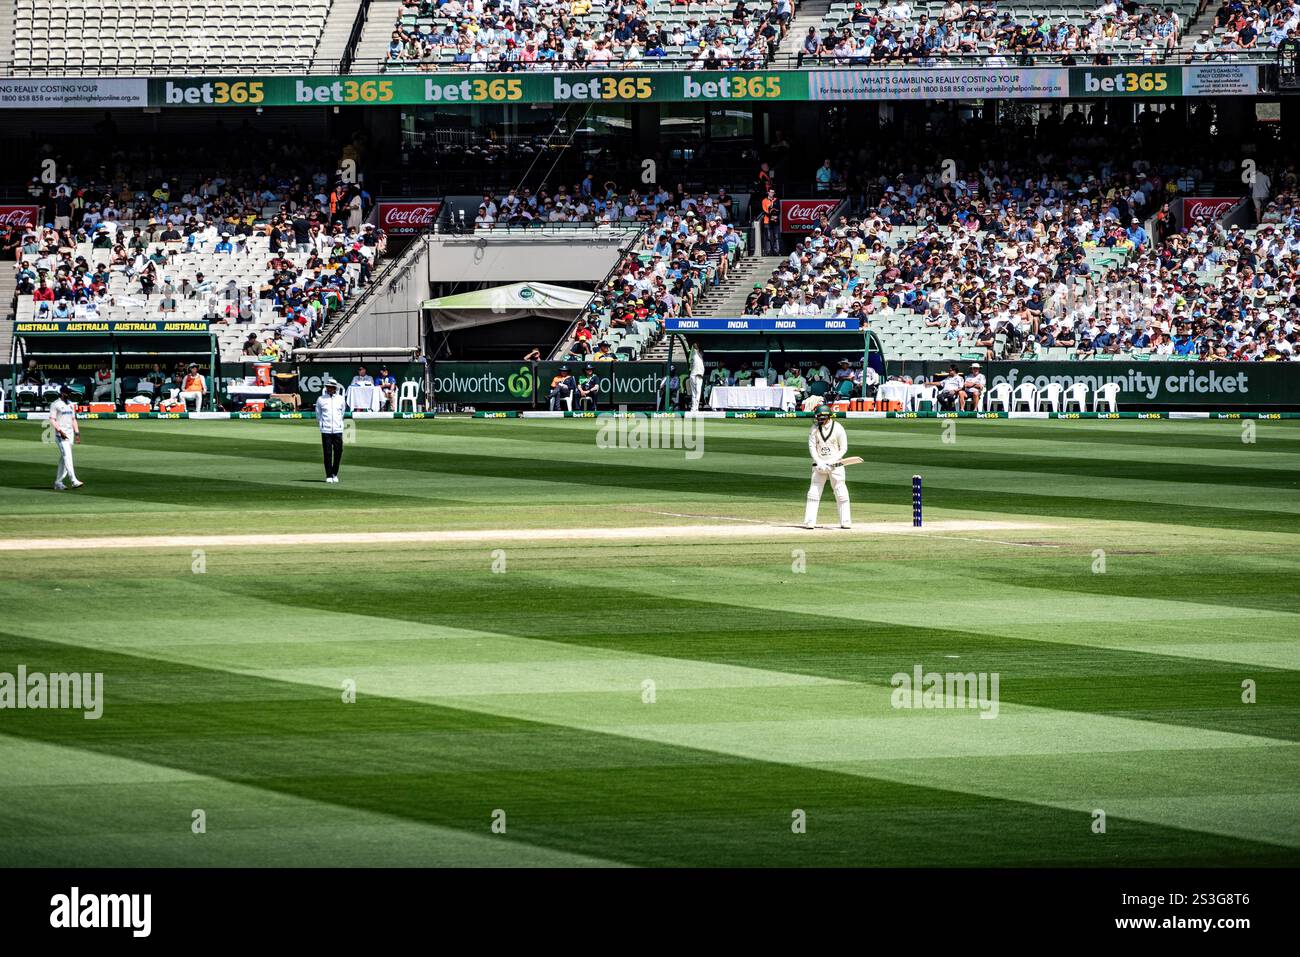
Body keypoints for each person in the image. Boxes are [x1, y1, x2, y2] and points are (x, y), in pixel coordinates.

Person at [803, 404, 850, 530]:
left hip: (836, 465)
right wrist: (819, 462)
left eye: (819, 417)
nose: (817, 420)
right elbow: (812, 447)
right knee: (813, 493)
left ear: (826, 417)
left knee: (841, 492)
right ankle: (809, 521)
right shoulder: (814, 428)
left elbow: (843, 448)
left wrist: (831, 461)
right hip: (819, 466)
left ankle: (846, 521)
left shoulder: (838, 428)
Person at [49, 385, 84, 491]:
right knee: (67, 456)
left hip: (70, 434)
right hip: (61, 434)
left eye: (69, 392)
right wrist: (60, 431)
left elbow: (73, 419)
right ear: (62, 393)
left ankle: (58, 483)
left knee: (64, 459)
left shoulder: (71, 404)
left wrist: (77, 433)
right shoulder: (55, 404)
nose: (69, 394)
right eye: (67, 392)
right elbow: (52, 420)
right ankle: (74, 480)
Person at [316, 377, 346, 483]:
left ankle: (334, 473)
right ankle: (328, 475)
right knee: (327, 453)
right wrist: (322, 426)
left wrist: (339, 425)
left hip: (338, 430)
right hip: (326, 430)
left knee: (338, 452)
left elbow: (342, 413)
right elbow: (318, 415)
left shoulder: (341, 399)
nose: (329, 389)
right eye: (328, 387)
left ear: (335, 388)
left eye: (331, 387)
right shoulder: (321, 399)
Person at [688, 342, 705, 412]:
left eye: (702, 353)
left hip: (699, 376)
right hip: (693, 375)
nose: (701, 353)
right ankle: (693, 408)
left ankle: (696, 407)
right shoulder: (694, 354)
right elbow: (694, 345)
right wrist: (696, 346)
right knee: (694, 392)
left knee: (698, 392)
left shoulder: (701, 359)